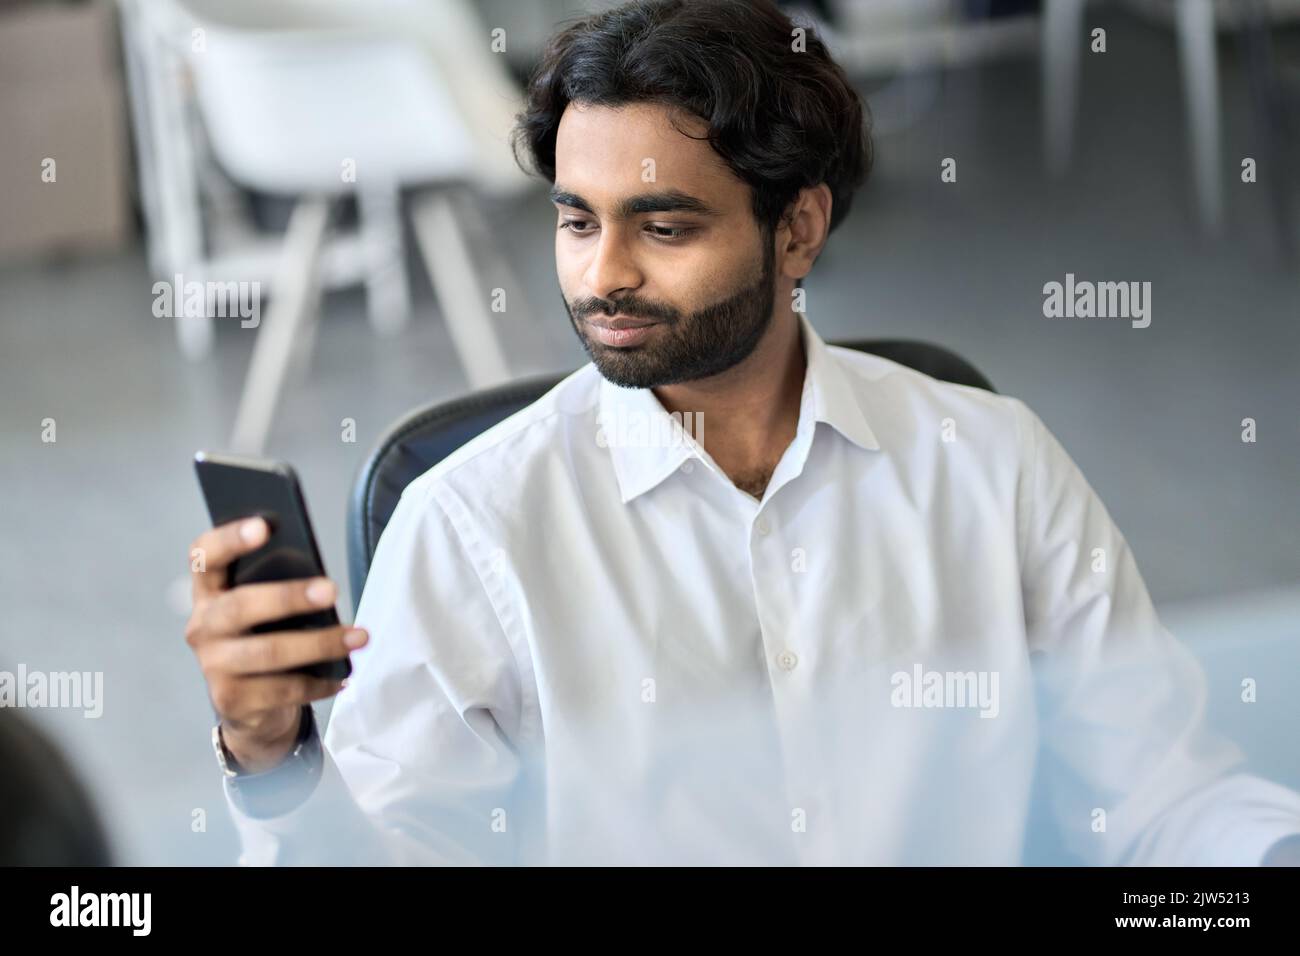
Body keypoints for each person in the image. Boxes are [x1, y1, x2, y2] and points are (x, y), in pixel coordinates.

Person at [182, 0, 1300, 865]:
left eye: (661, 226)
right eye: (577, 221)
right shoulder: (471, 526)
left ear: (797, 227)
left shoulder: (991, 464)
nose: (601, 274)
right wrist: (273, 760)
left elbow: (1163, 799)